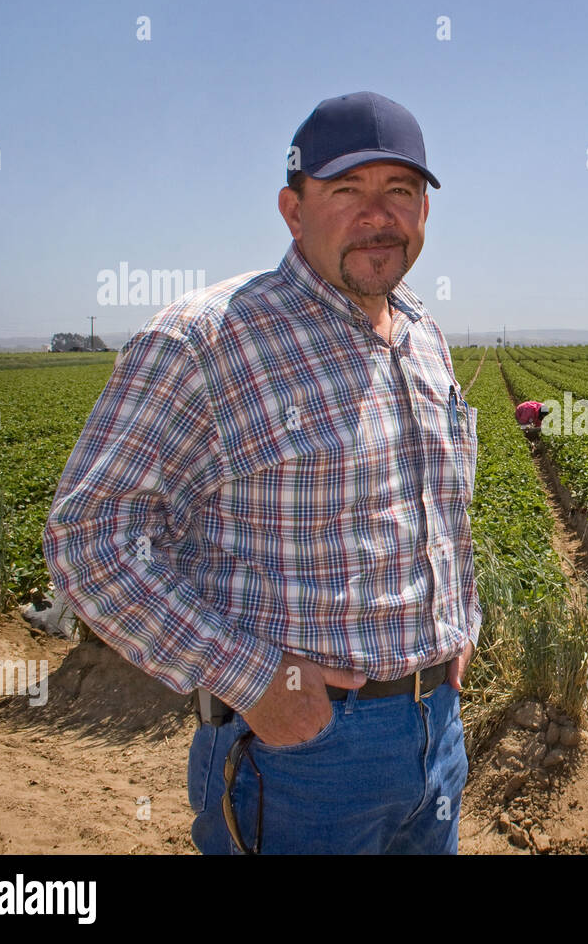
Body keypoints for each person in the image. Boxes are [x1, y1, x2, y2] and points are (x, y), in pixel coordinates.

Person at [43, 92, 477, 854]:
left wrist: (457, 633)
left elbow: (441, 511)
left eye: (400, 192)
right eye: (348, 191)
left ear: (424, 211)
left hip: (436, 737)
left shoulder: (423, 337)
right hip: (301, 754)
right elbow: (92, 540)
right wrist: (253, 682)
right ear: (292, 208)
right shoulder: (206, 340)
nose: (380, 215)